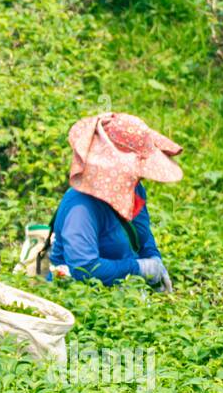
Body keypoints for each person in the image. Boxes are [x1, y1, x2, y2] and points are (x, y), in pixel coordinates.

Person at [48, 112, 182, 289]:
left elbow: (142, 234)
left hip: (124, 291)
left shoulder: (134, 189)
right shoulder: (81, 208)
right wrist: (139, 269)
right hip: (84, 299)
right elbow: (85, 268)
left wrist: (154, 259)